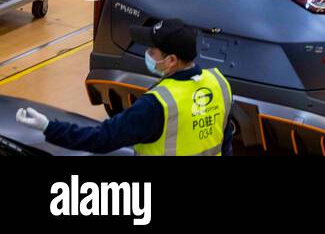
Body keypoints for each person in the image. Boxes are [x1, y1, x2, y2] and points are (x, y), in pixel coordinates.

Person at [16, 19, 234, 155]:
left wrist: (48, 127)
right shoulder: (219, 84)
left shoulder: (158, 105)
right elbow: (225, 144)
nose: (147, 54)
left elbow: (102, 139)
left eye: (152, 51)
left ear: (171, 61)